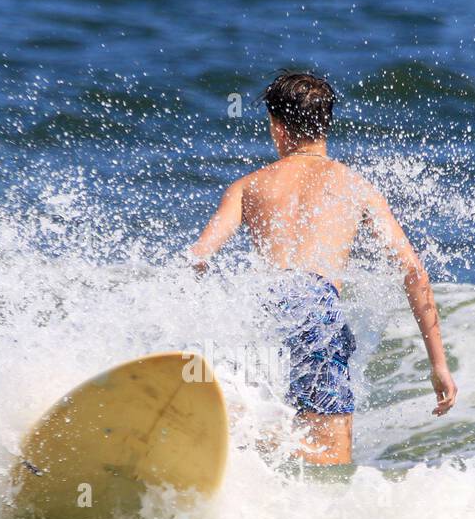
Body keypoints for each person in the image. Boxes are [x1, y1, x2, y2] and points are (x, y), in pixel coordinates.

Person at [189, 70, 457, 464]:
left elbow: (198, 258)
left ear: (277, 128)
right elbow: (414, 273)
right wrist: (438, 365)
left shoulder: (246, 186)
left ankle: (239, 443)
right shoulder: (355, 186)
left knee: (278, 425)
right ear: (326, 124)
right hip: (314, 306)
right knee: (330, 453)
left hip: (260, 306)